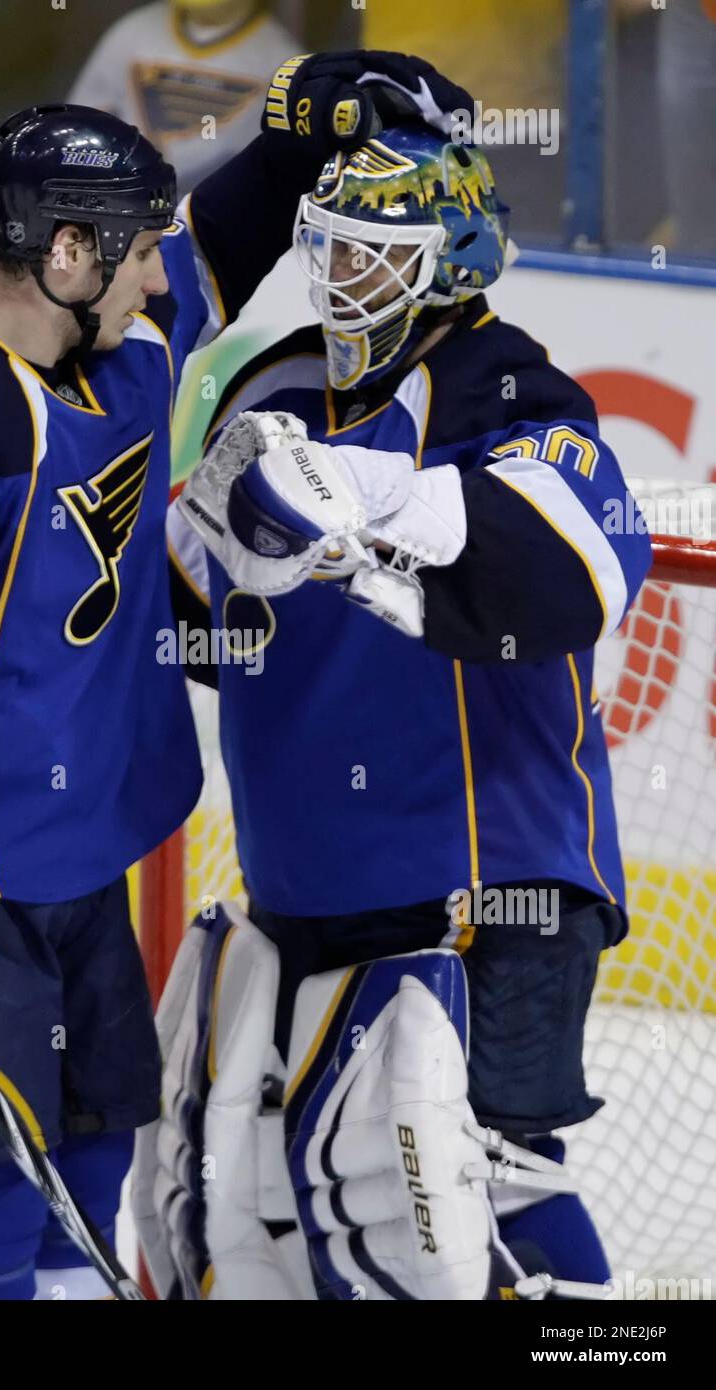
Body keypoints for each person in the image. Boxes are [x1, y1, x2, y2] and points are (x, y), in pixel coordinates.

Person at [0, 60, 473, 1300]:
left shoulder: (130, 342)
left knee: (90, 1173)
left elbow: (225, 241)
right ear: (70, 253)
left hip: (83, 869)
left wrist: (297, 133)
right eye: (143, 249)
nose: (167, 274)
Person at [147, 120, 654, 1299]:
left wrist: (374, 497)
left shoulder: (505, 384)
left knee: (491, 1185)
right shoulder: (272, 384)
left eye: (374, 253)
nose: (339, 277)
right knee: (304, 1210)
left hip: (491, 890)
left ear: (453, 262)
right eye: (326, 246)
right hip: (313, 888)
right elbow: (202, 617)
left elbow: (584, 562)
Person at [68, 0, 299, 192]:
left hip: (210, 224)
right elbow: (73, 130)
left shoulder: (284, 63)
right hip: (122, 203)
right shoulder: (131, 34)